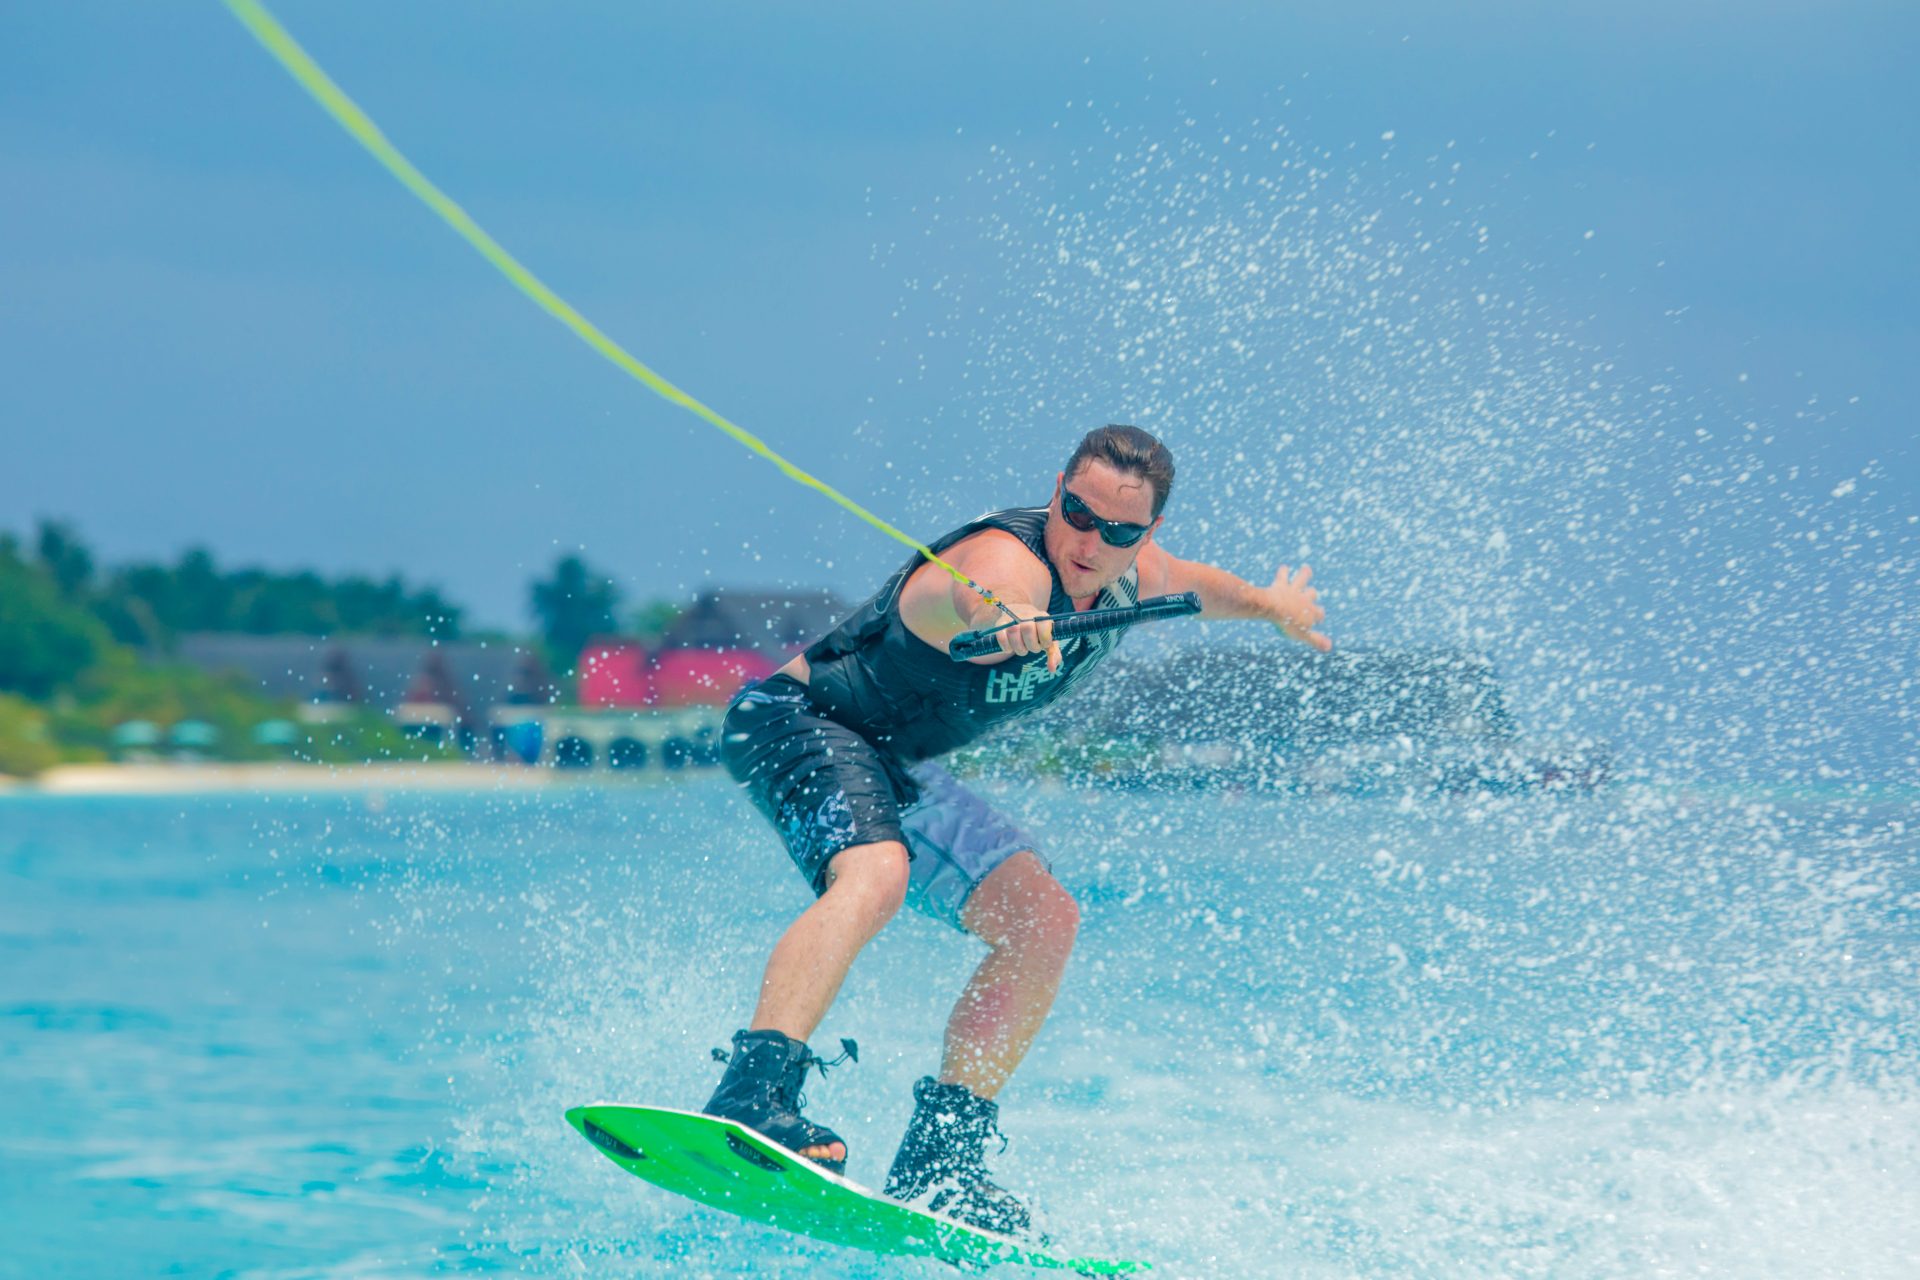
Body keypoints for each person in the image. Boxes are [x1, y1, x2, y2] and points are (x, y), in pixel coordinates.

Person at [706, 424, 1330, 1234]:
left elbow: (1206, 588)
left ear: (1146, 534)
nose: (1089, 541)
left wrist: (1273, 606)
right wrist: (1007, 618)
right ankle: (754, 1093)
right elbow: (981, 589)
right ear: (1058, 488)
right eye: (1076, 512)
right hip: (798, 719)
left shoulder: (1132, 577)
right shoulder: (1007, 561)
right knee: (877, 874)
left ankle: (941, 1161)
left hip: (896, 762)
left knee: (1044, 919)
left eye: (1119, 531)